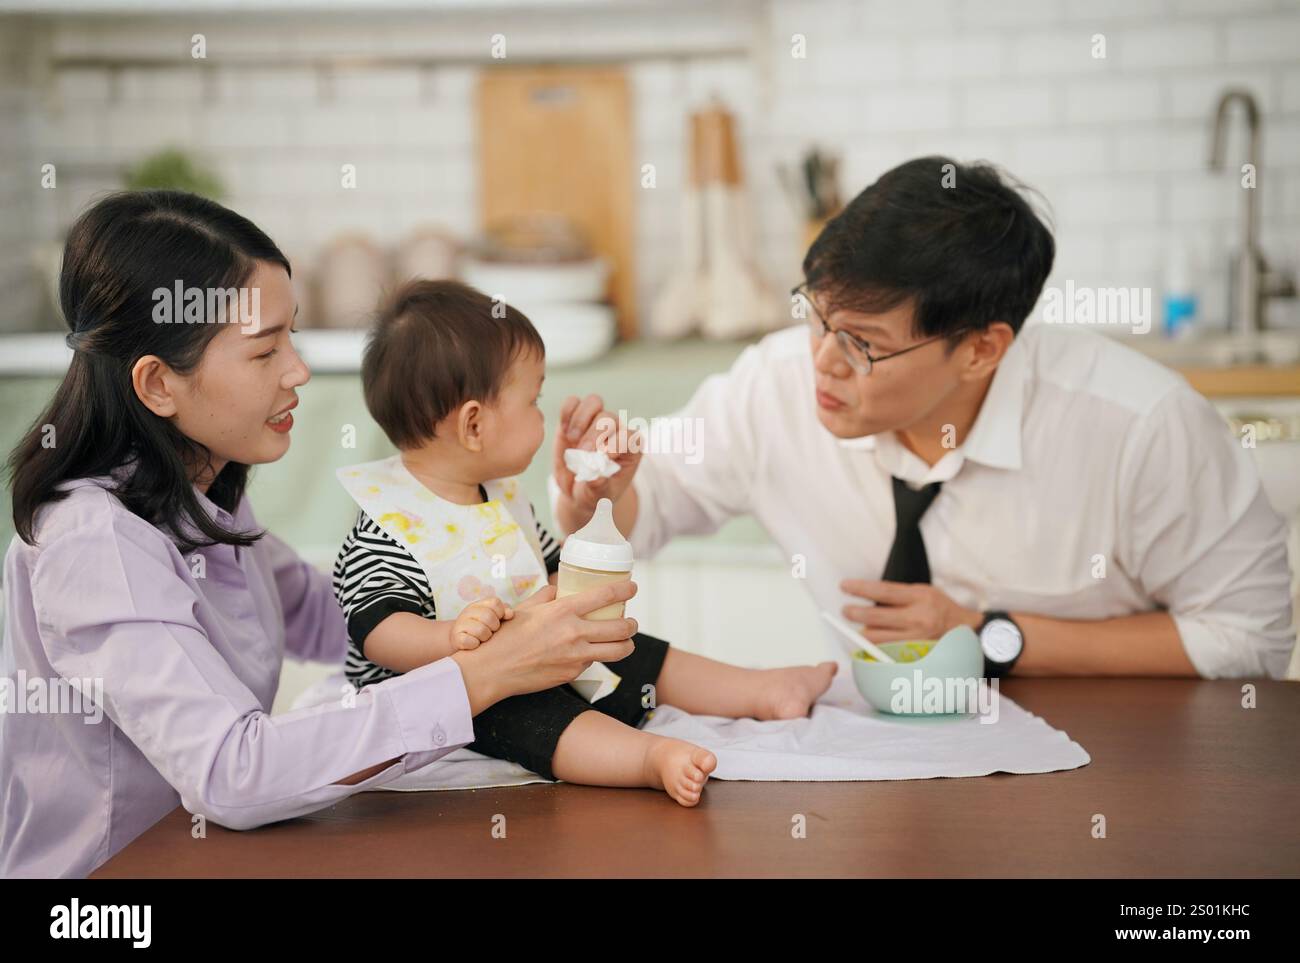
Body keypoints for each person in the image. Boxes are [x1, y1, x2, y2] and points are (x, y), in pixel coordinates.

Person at [0, 191, 639, 878]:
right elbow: (234, 773)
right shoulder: (94, 545)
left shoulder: (195, 496)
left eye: (293, 337)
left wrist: (520, 585)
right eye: (264, 351)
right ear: (158, 383)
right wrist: (483, 673)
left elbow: (346, 618)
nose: (297, 371)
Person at [551, 157, 1294, 680]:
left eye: (862, 344)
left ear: (980, 350)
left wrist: (990, 637)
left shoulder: (1140, 428)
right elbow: (651, 514)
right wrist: (600, 500)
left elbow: (1251, 638)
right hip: (884, 765)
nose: (823, 362)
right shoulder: (774, 385)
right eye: (816, 317)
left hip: (1115, 759)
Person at [330, 279, 838, 806]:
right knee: (528, 716)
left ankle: (762, 690)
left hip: (529, 657)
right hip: (457, 695)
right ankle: (647, 757)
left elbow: (549, 566)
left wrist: (575, 585)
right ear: (474, 425)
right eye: (533, 400)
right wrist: (452, 637)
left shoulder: (499, 500)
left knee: (629, 650)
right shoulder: (390, 526)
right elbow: (376, 629)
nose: (541, 416)